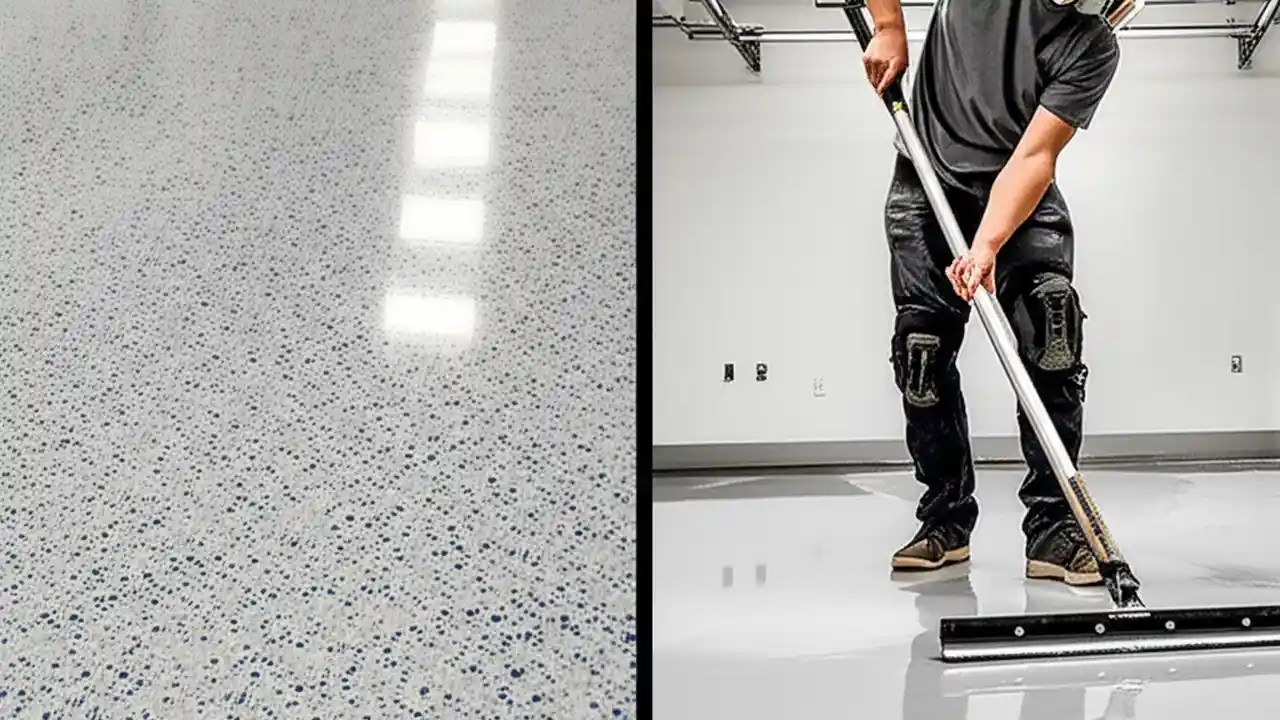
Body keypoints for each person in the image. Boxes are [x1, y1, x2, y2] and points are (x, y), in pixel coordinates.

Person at [863, 0, 1123, 585]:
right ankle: (945, 523)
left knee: (1051, 326)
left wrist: (986, 246)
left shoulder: (1091, 43)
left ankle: (1055, 531)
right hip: (925, 182)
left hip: (1017, 188)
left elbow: (1035, 156)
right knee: (922, 352)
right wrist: (888, 26)